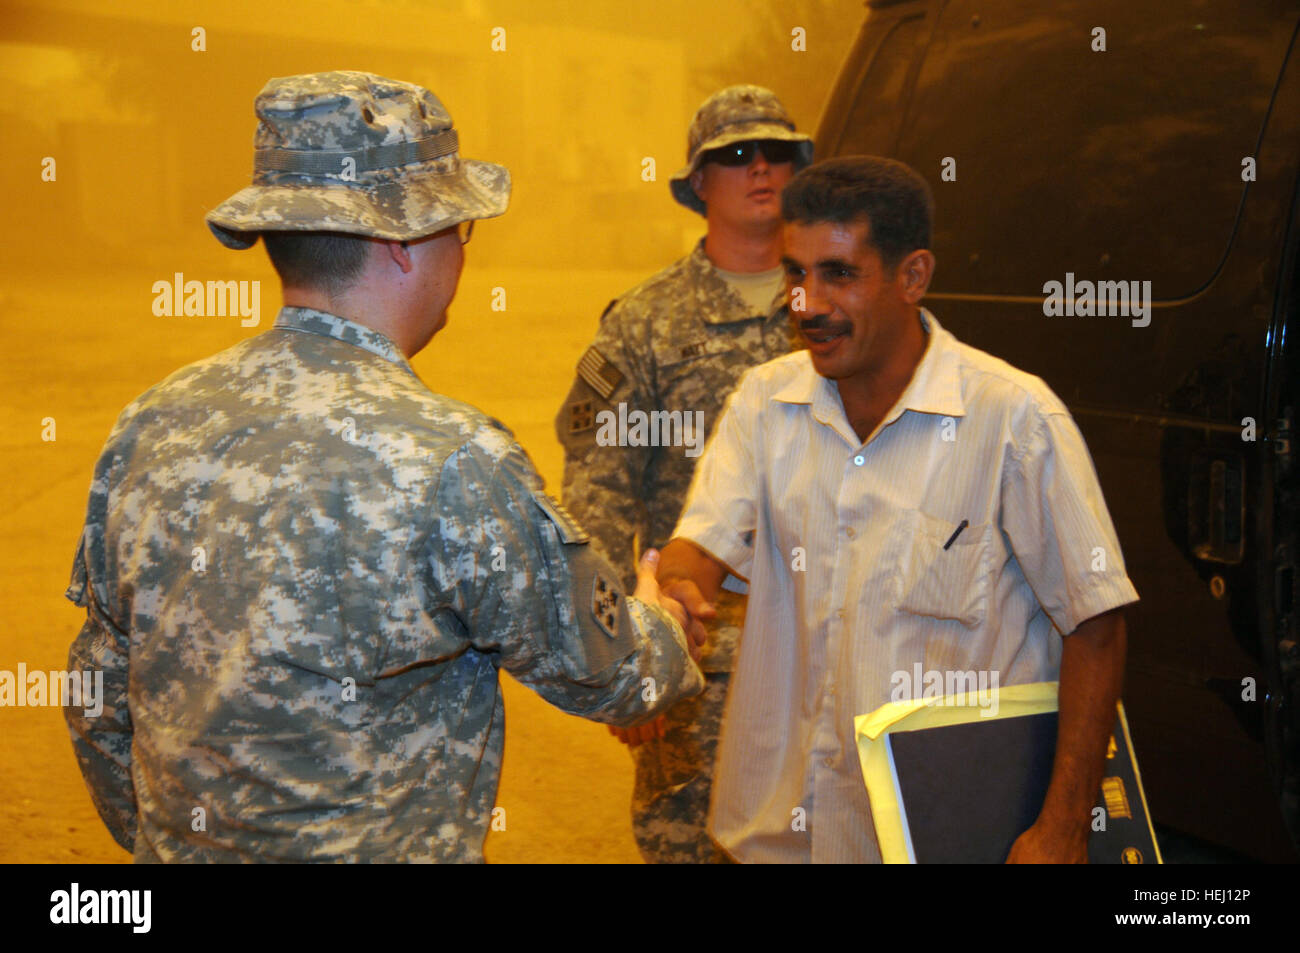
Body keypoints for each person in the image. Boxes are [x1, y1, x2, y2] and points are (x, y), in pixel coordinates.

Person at [62, 70, 703, 864]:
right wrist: (662, 618)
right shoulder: (455, 462)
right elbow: (620, 677)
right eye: (460, 229)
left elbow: (96, 696)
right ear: (404, 240)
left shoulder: (147, 425)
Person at [657, 155, 1138, 863]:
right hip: (779, 841)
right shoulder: (764, 404)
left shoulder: (1013, 420)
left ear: (913, 276)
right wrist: (671, 601)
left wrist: (1064, 826)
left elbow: (1096, 623)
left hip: (947, 841)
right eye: (795, 273)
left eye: (839, 274)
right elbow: (700, 546)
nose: (808, 303)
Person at [554, 85, 811, 863]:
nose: (759, 168)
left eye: (777, 153)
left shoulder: (840, 302)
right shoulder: (642, 323)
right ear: (699, 183)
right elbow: (596, 495)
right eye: (735, 156)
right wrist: (618, 658)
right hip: (703, 655)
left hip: (834, 637)